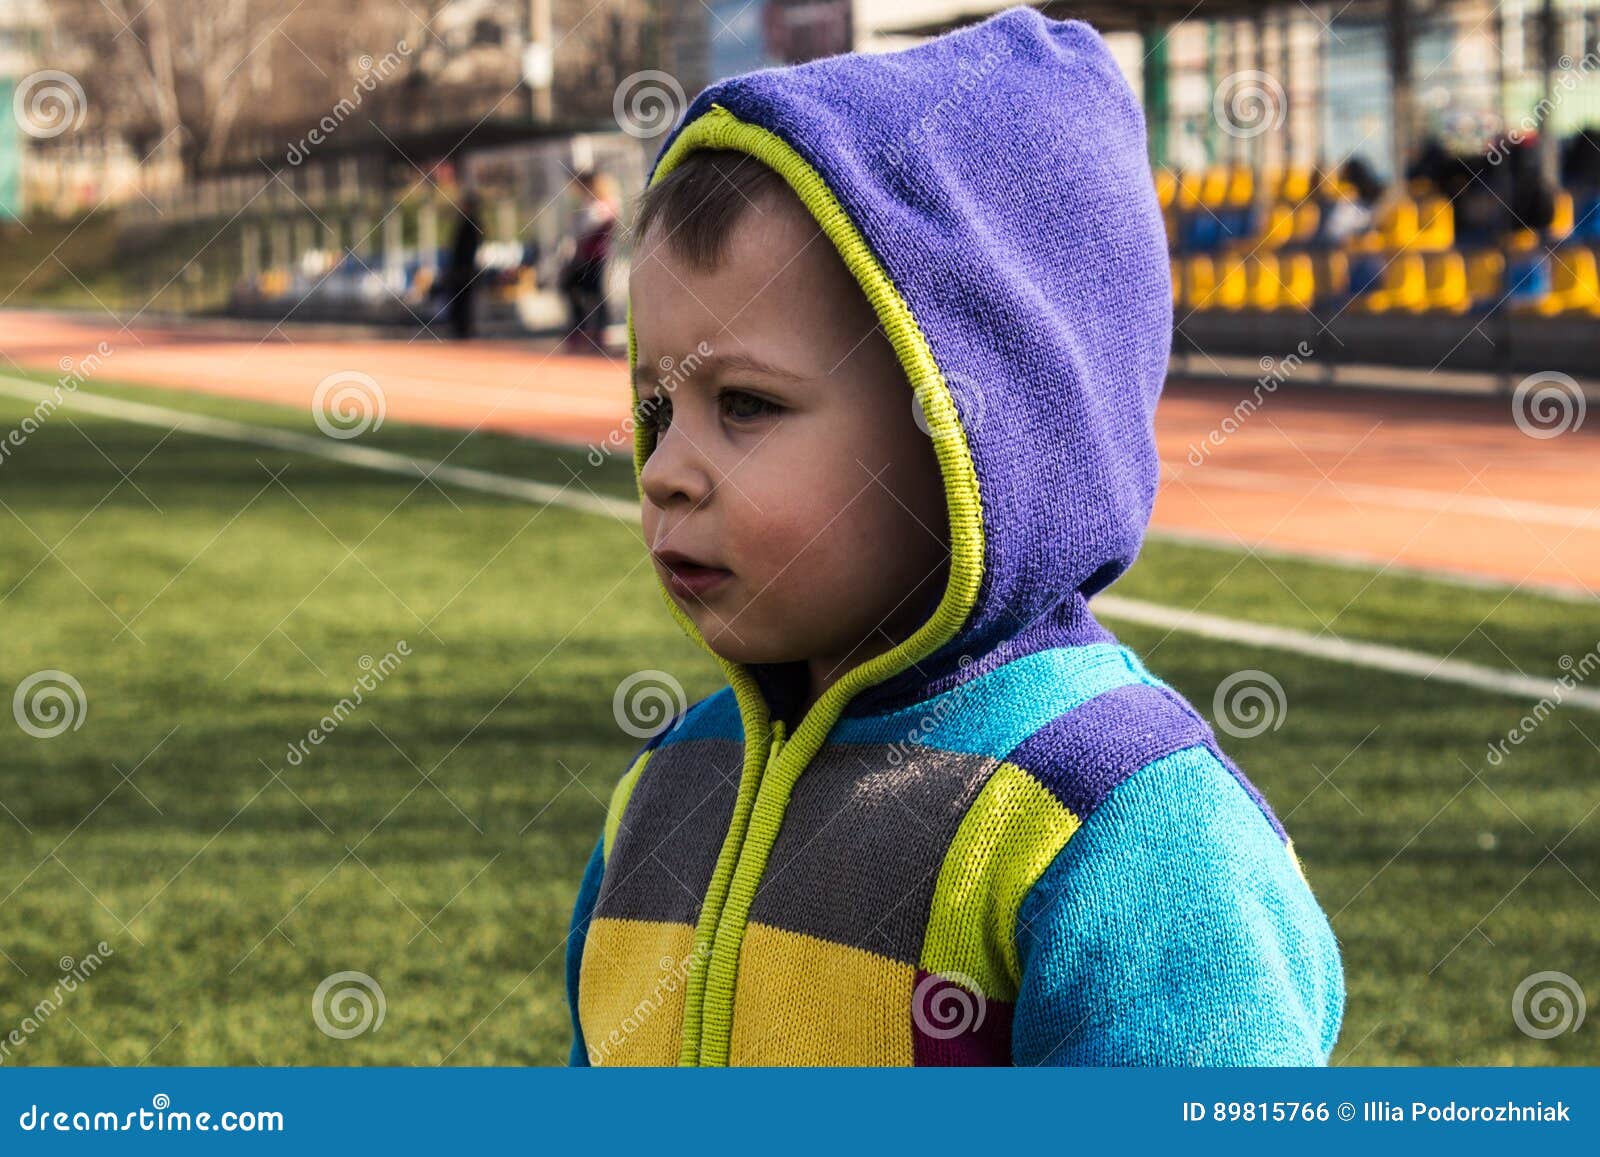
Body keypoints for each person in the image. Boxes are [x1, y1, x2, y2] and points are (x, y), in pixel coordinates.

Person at [565, 9, 1343, 1067]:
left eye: (744, 404)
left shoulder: (1122, 823)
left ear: (968, 429)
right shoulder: (666, 786)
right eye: (657, 406)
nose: (663, 468)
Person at [557, 169, 619, 352]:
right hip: (581, 256)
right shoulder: (587, 204)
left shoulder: (604, 204)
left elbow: (589, 227)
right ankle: (580, 330)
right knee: (572, 290)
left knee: (595, 295)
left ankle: (597, 333)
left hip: (595, 257)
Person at [445, 190, 483, 340]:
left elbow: (467, 250)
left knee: (463, 301)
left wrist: (463, 269)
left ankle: (463, 329)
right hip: (463, 269)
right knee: (460, 300)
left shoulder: (471, 224)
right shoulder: (466, 222)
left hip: (464, 270)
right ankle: (461, 328)